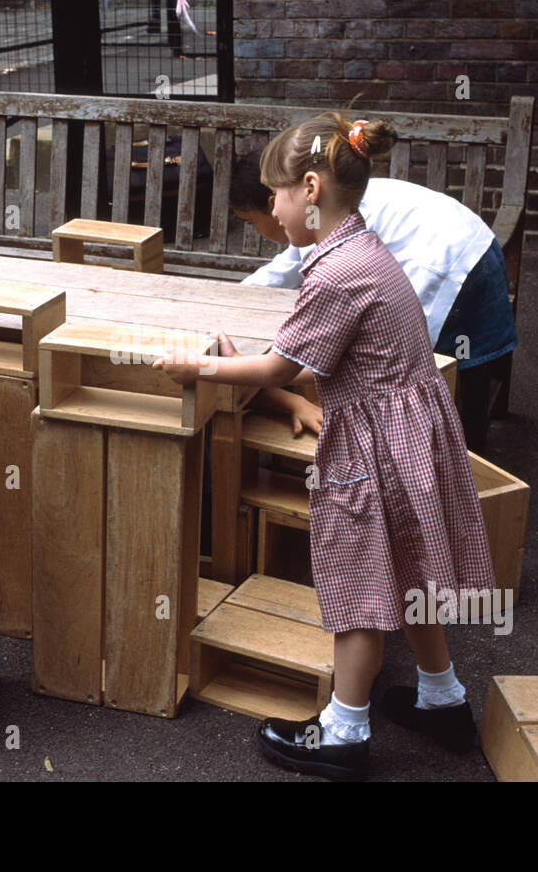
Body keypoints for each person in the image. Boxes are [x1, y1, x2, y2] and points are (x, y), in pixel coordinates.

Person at [155, 112, 496, 780]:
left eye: (276, 194)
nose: (273, 209)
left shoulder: (335, 272)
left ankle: (342, 730)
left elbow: (281, 370)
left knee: (359, 583)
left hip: (374, 446)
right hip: (407, 433)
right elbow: (319, 361)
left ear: (310, 188)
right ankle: (442, 697)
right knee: (407, 569)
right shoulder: (362, 250)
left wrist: (199, 367)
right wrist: (266, 362)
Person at [230, 149, 517, 453]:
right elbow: (285, 268)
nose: (264, 227)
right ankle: (460, 450)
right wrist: (231, 299)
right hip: (476, 246)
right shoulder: (329, 206)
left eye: (251, 222)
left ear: (277, 202)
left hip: (451, 268)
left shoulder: (331, 229)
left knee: (404, 370)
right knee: (447, 365)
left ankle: (450, 453)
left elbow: (315, 349)